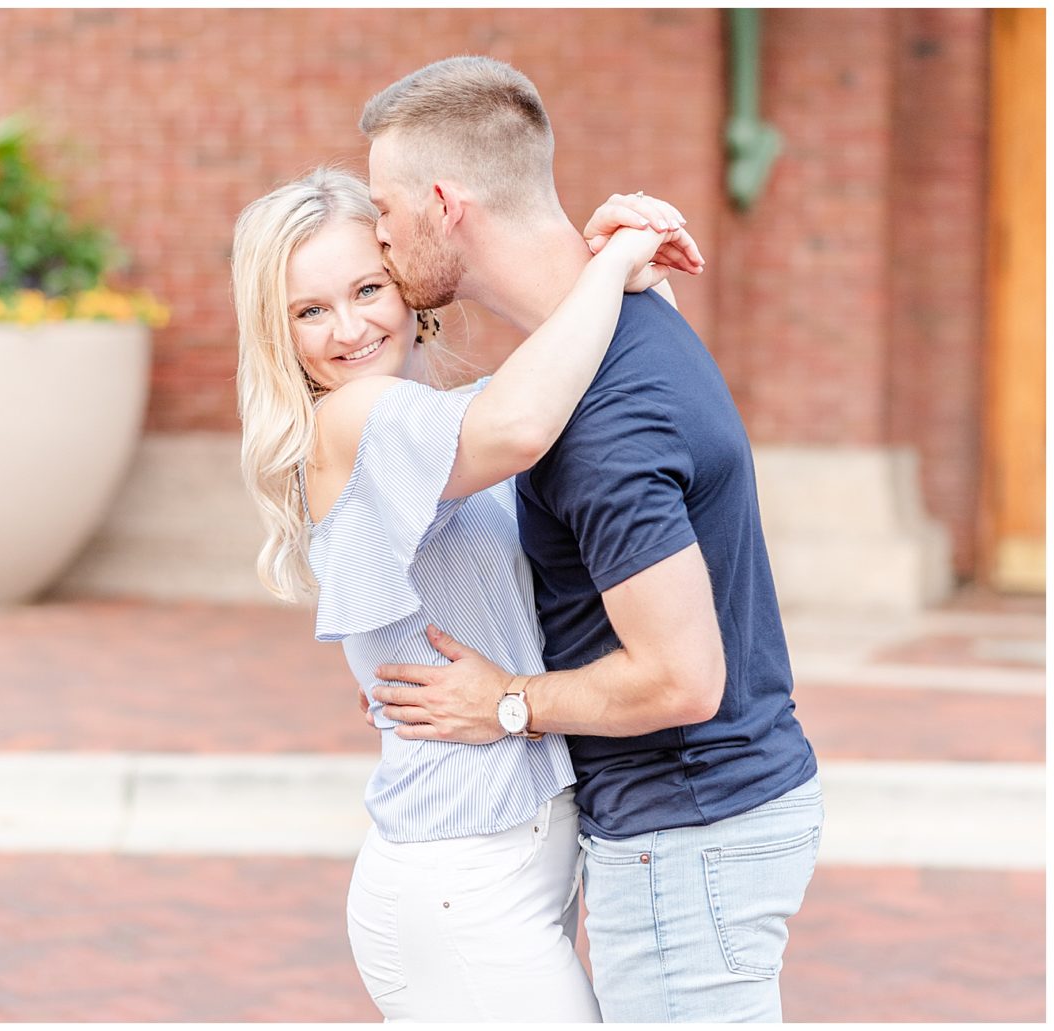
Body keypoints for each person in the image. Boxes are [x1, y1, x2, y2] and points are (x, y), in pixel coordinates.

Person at [359, 57, 822, 1023]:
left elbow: (680, 678)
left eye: (384, 208)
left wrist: (508, 704)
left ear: (445, 203)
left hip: (687, 831)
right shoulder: (625, 319)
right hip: (716, 818)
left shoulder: (601, 419)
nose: (378, 236)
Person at [232, 167, 703, 1021]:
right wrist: (603, 269)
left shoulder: (444, 416)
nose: (349, 328)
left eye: (368, 287)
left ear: (405, 283)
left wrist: (628, 270)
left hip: (513, 860)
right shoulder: (351, 422)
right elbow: (526, 425)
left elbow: (597, 390)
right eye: (310, 310)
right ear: (279, 332)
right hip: (459, 878)